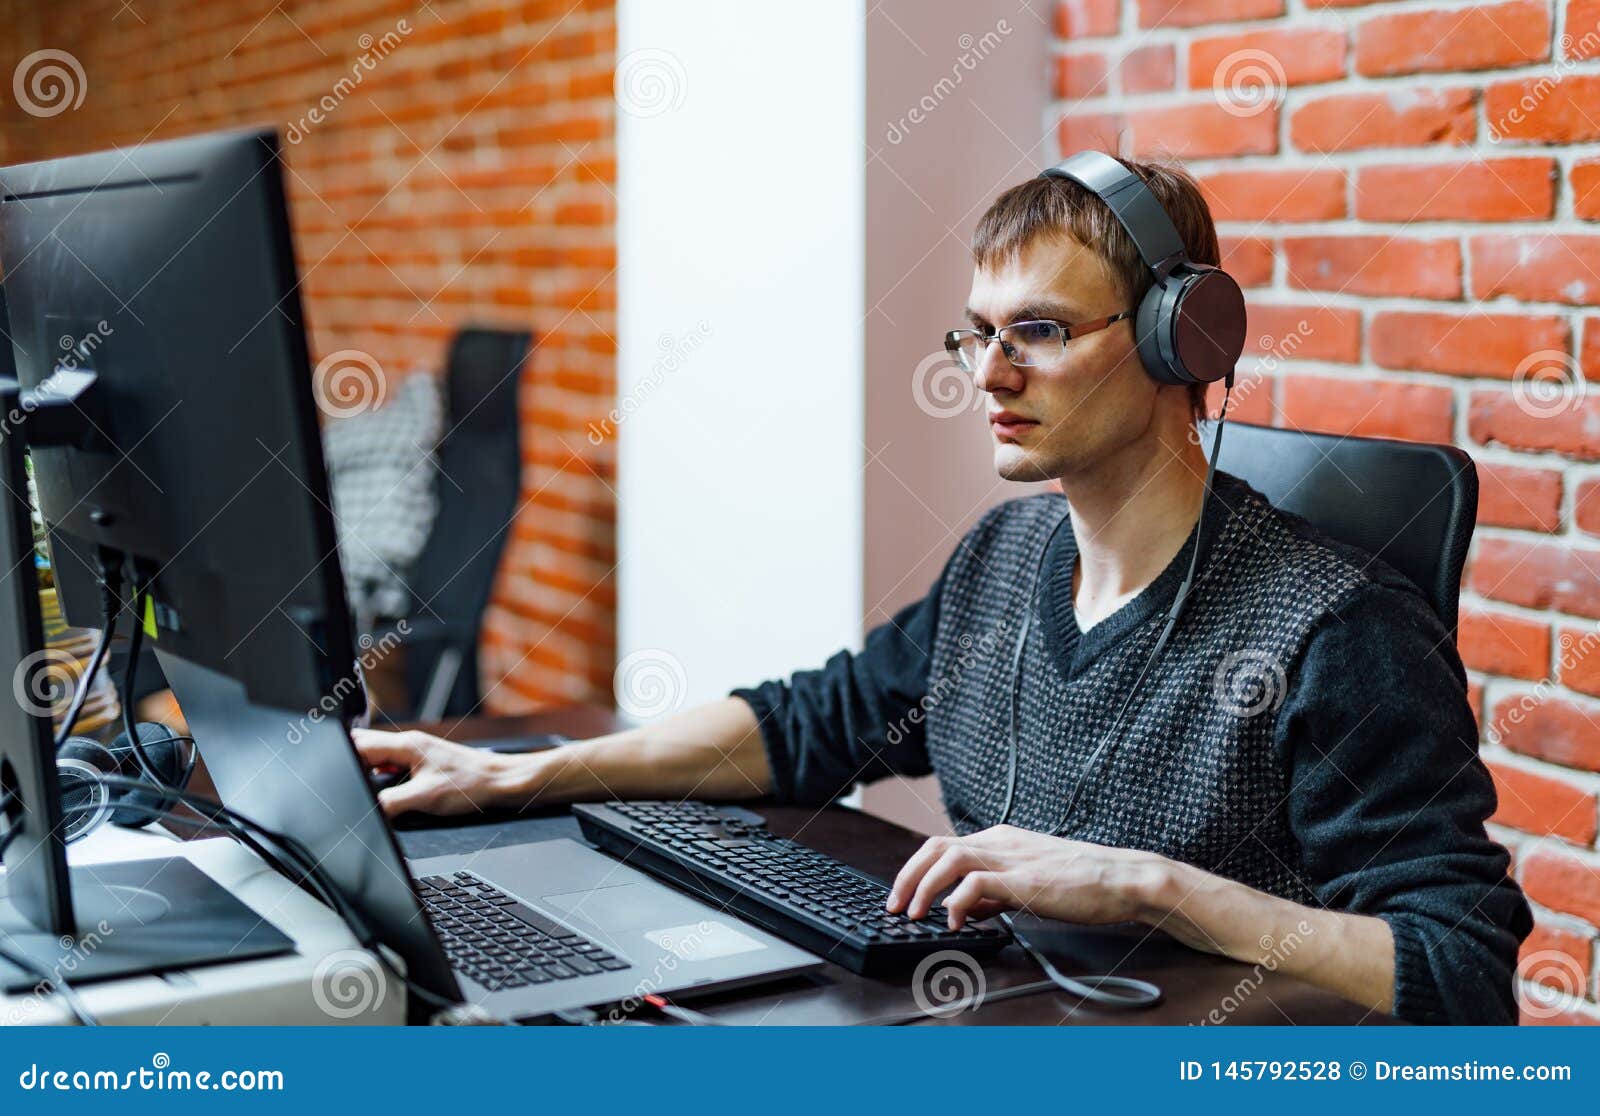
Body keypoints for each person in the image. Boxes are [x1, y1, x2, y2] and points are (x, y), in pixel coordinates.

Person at [355, 156, 1531, 1026]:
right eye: (977, 336)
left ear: (1181, 342)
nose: (990, 376)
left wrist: (1148, 887)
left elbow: (1460, 973)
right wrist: (524, 773)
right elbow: (811, 723)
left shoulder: (1335, 629)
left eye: (1039, 331)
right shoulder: (1003, 560)